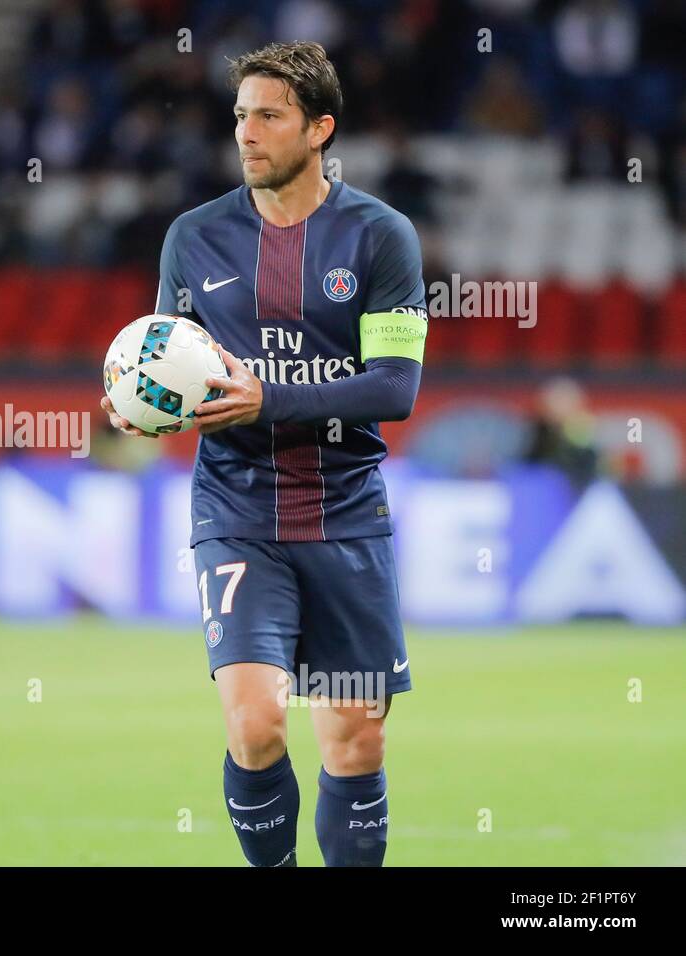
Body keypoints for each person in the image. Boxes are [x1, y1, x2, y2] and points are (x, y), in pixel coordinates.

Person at [101, 42, 427, 866]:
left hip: (348, 518)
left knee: (354, 741)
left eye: (269, 115)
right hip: (237, 510)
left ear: (319, 129)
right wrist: (143, 411)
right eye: (241, 113)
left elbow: (393, 388)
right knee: (255, 722)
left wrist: (269, 398)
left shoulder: (381, 237)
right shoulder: (195, 238)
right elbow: (171, 364)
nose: (246, 131)